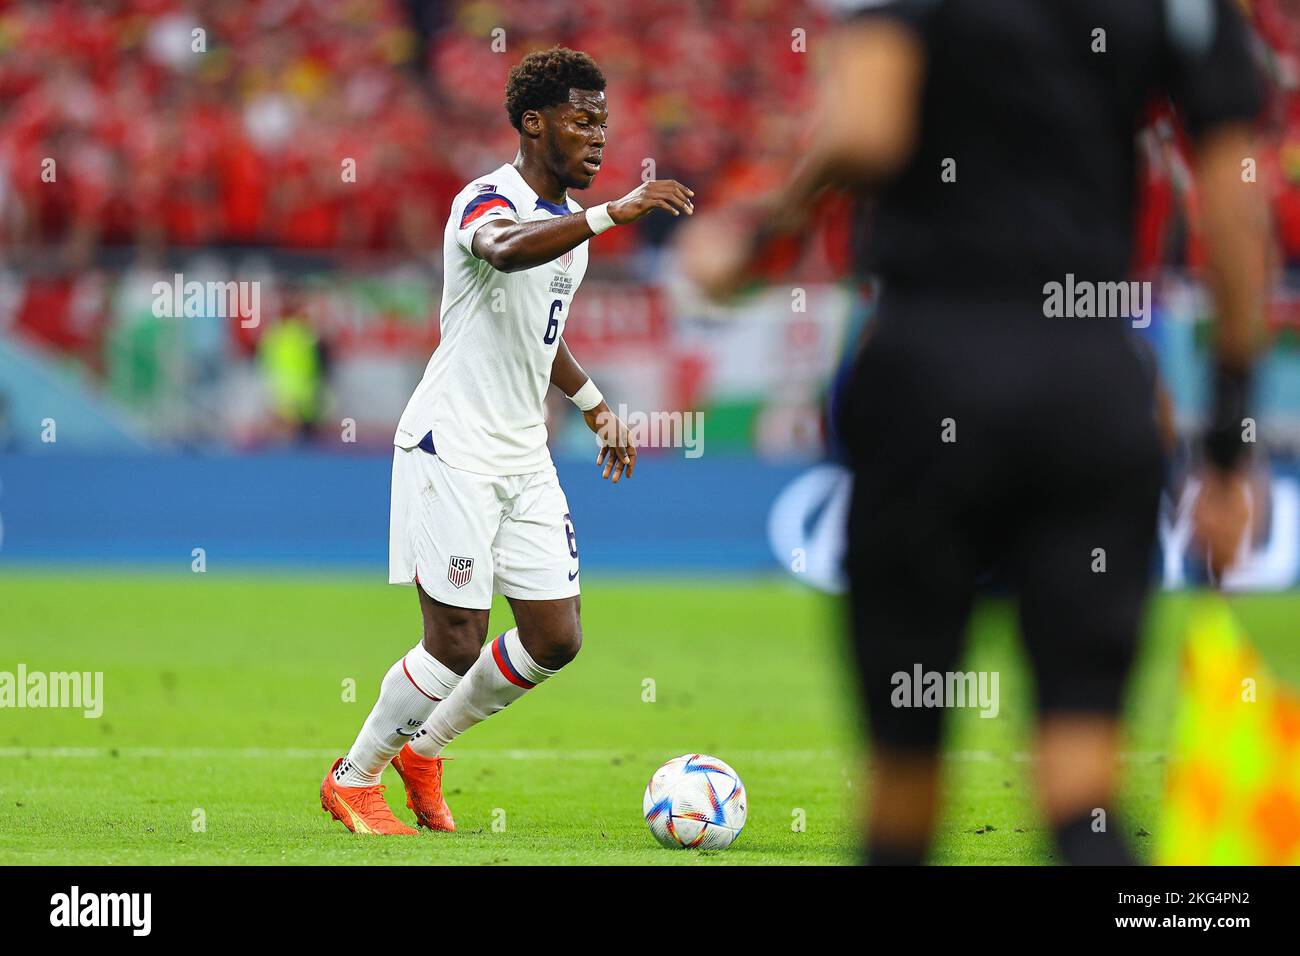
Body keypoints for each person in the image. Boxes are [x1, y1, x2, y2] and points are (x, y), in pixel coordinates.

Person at [678, 0, 1266, 864]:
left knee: (903, 791)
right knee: (1083, 788)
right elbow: (1234, 211)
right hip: (1089, 383)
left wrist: (765, 234)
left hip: (925, 373)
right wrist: (1226, 448)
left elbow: (868, 131)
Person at [321, 46, 695, 835]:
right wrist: (612, 212)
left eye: (604, 120)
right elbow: (501, 249)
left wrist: (595, 405)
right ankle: (354, 778)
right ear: (533, 122)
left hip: (524, 454)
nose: (599, 135)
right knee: (455, 638)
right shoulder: (485, 200)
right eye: (581, 118)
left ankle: (425, 750)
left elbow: (540, 336)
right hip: (450, 445)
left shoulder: (570, 231)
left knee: (555, 638)